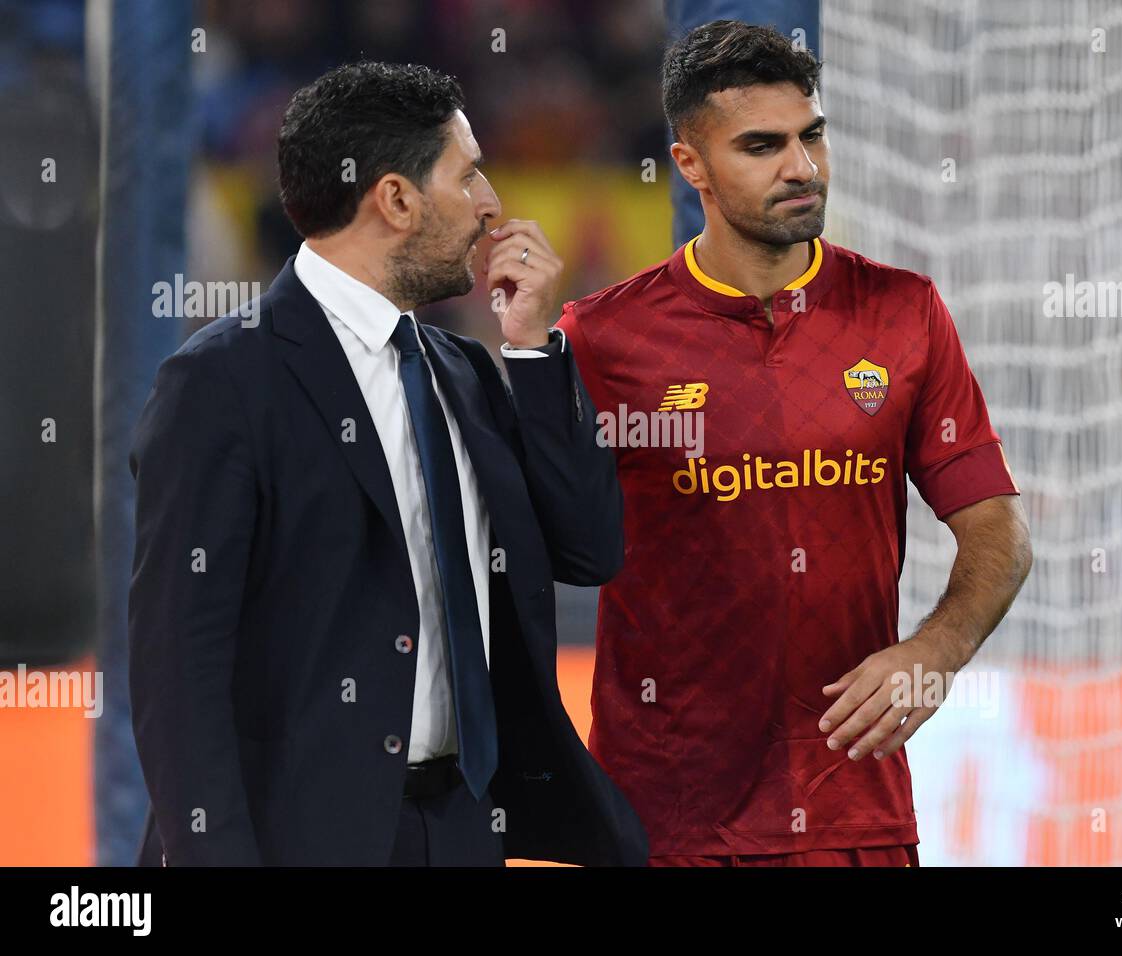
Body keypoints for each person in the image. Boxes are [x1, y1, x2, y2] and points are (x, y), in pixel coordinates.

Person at [128, 62, 645, 866]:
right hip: (298, 839)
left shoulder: (466, 374)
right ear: (397, 200)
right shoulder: (220, 385)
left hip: (466, 830)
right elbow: (175, 669)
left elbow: (590, 548)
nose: (491, 204)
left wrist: (536, 351)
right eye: (469, 173)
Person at [556, 21, 1033, 867]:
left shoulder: (904, 312)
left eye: (812, 135)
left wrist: (935, 650)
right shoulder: (602, 338)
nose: (802, 167)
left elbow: (997, 530)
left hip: (854, 810)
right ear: (690, 165)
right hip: (662, 821)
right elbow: (546, 543)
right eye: (762, 146)